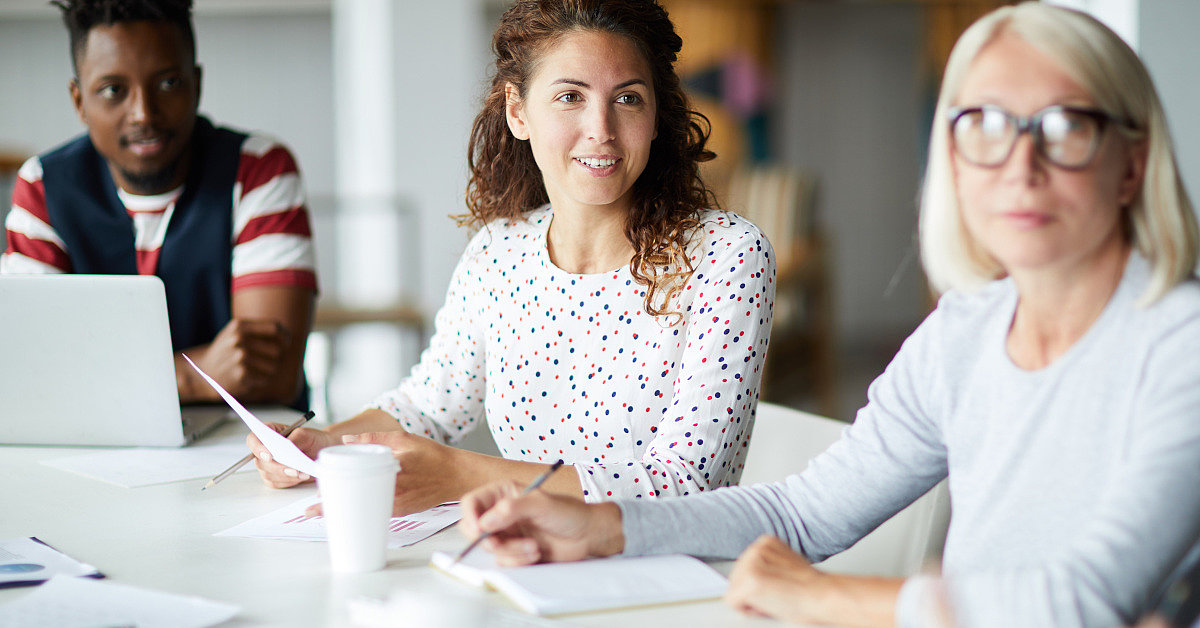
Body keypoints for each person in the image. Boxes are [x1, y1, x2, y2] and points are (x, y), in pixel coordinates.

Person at [458, 3, 1200, 626]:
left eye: (1065, 127)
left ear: (1133, 162)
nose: (1020, 165)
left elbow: (1088, 602)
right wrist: (601, 526)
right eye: (986, 124)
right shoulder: (966, 334)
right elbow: (805, 514)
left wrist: (822, 596)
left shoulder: (1181, 346)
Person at [248, 0, 775, 516]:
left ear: (657, 115)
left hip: (674, 582)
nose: (602, 129)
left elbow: (685, 486)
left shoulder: (727, 255)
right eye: (571, 96)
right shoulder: (499, 251)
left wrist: (459, 474)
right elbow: (430, 404)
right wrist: (322, 444)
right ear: (518, 111)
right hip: (523, 566)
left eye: (629, 98)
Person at [1, 0, 317, 410]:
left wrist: (94, 379)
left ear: (196, 84)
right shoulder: (43, 187)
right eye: (114, 90)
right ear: (79, 101)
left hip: (245, 450)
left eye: (167, 83)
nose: (143, 114)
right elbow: (27, 374)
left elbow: (272, 375)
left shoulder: (258, 169)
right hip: (96, 448)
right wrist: (191, 375)